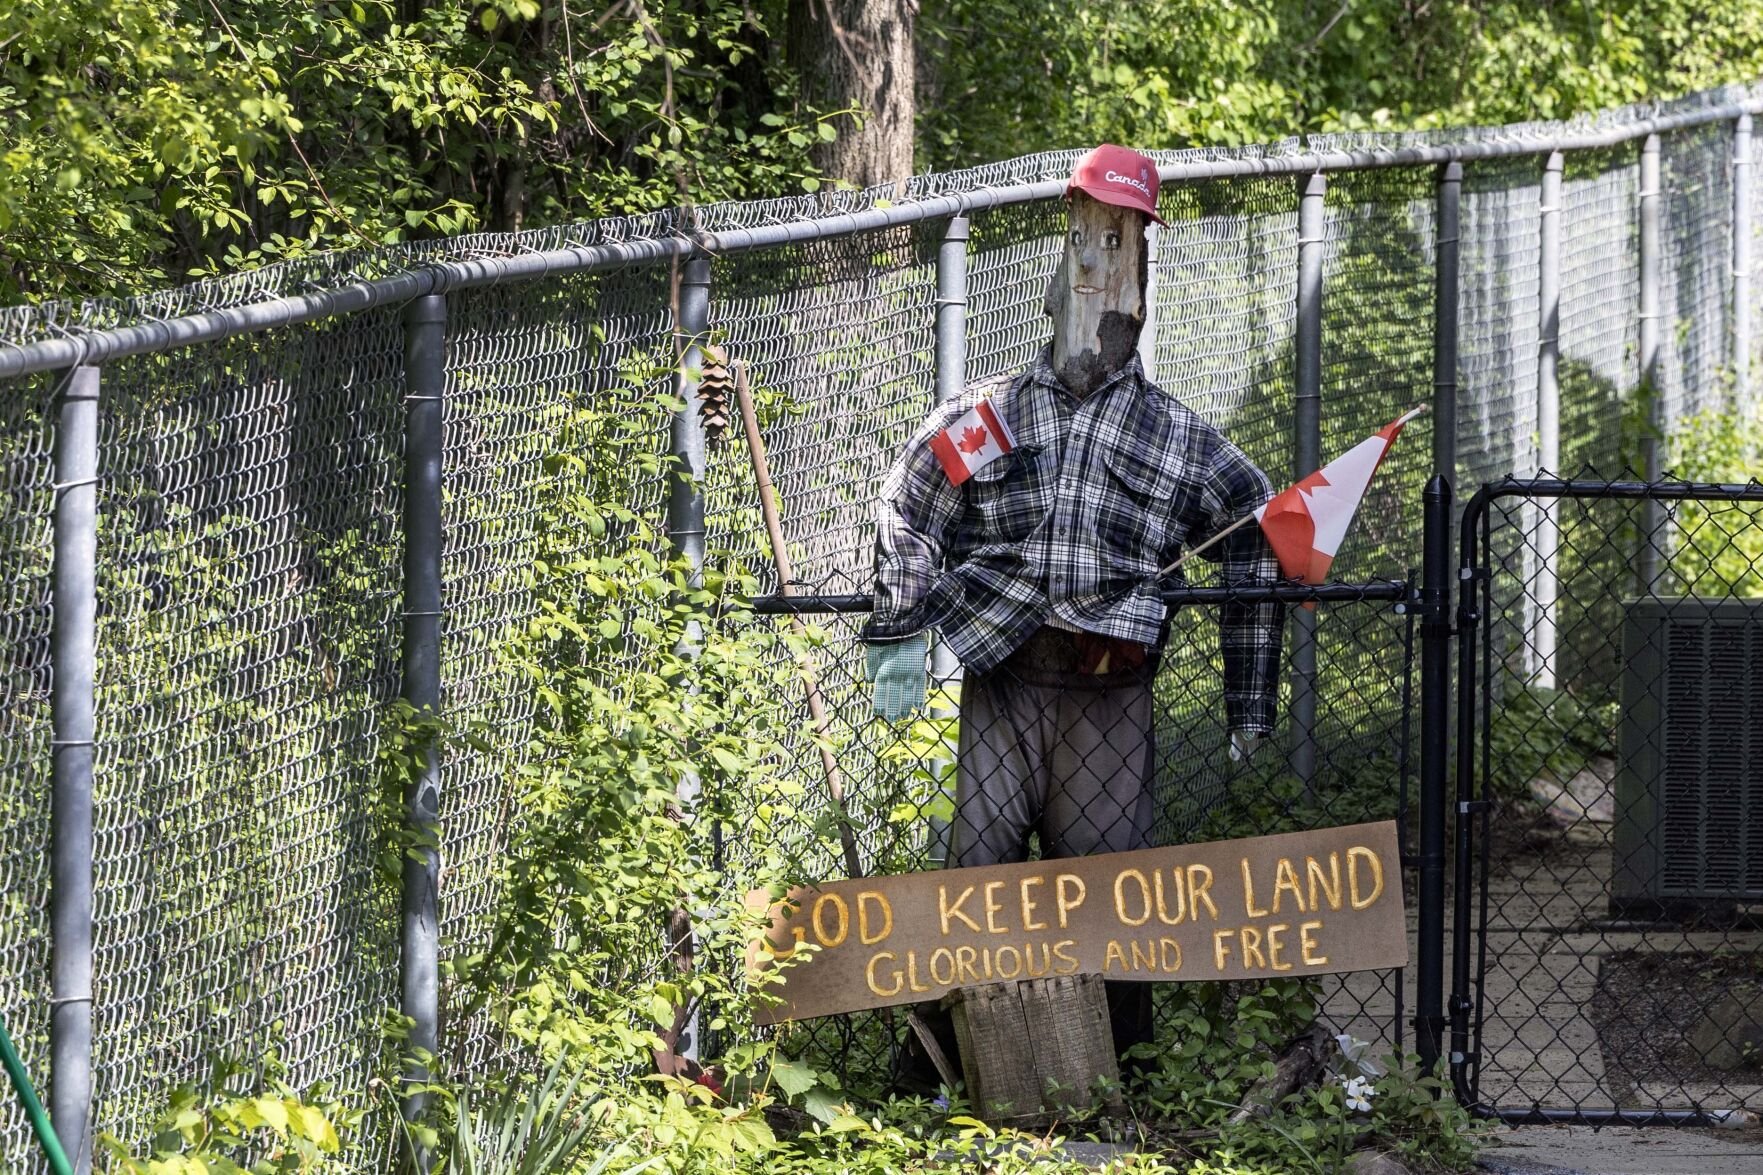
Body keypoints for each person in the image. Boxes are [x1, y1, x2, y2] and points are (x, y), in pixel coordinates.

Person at [860, 144, 1285, 1060]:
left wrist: (1247, 695)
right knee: (974, 885)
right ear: (1055, 271)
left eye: (1120, 243)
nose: (1097, 266)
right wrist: (899, 624)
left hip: (1111, 695)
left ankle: (1122, 1073)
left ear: (1143, 275)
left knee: (1113, 901)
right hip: (1008, 680)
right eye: (1083, 242)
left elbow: (1259, 534)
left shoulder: (1174, 434)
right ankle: (932, 1070)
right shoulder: (994, 412)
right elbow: (908, 500)